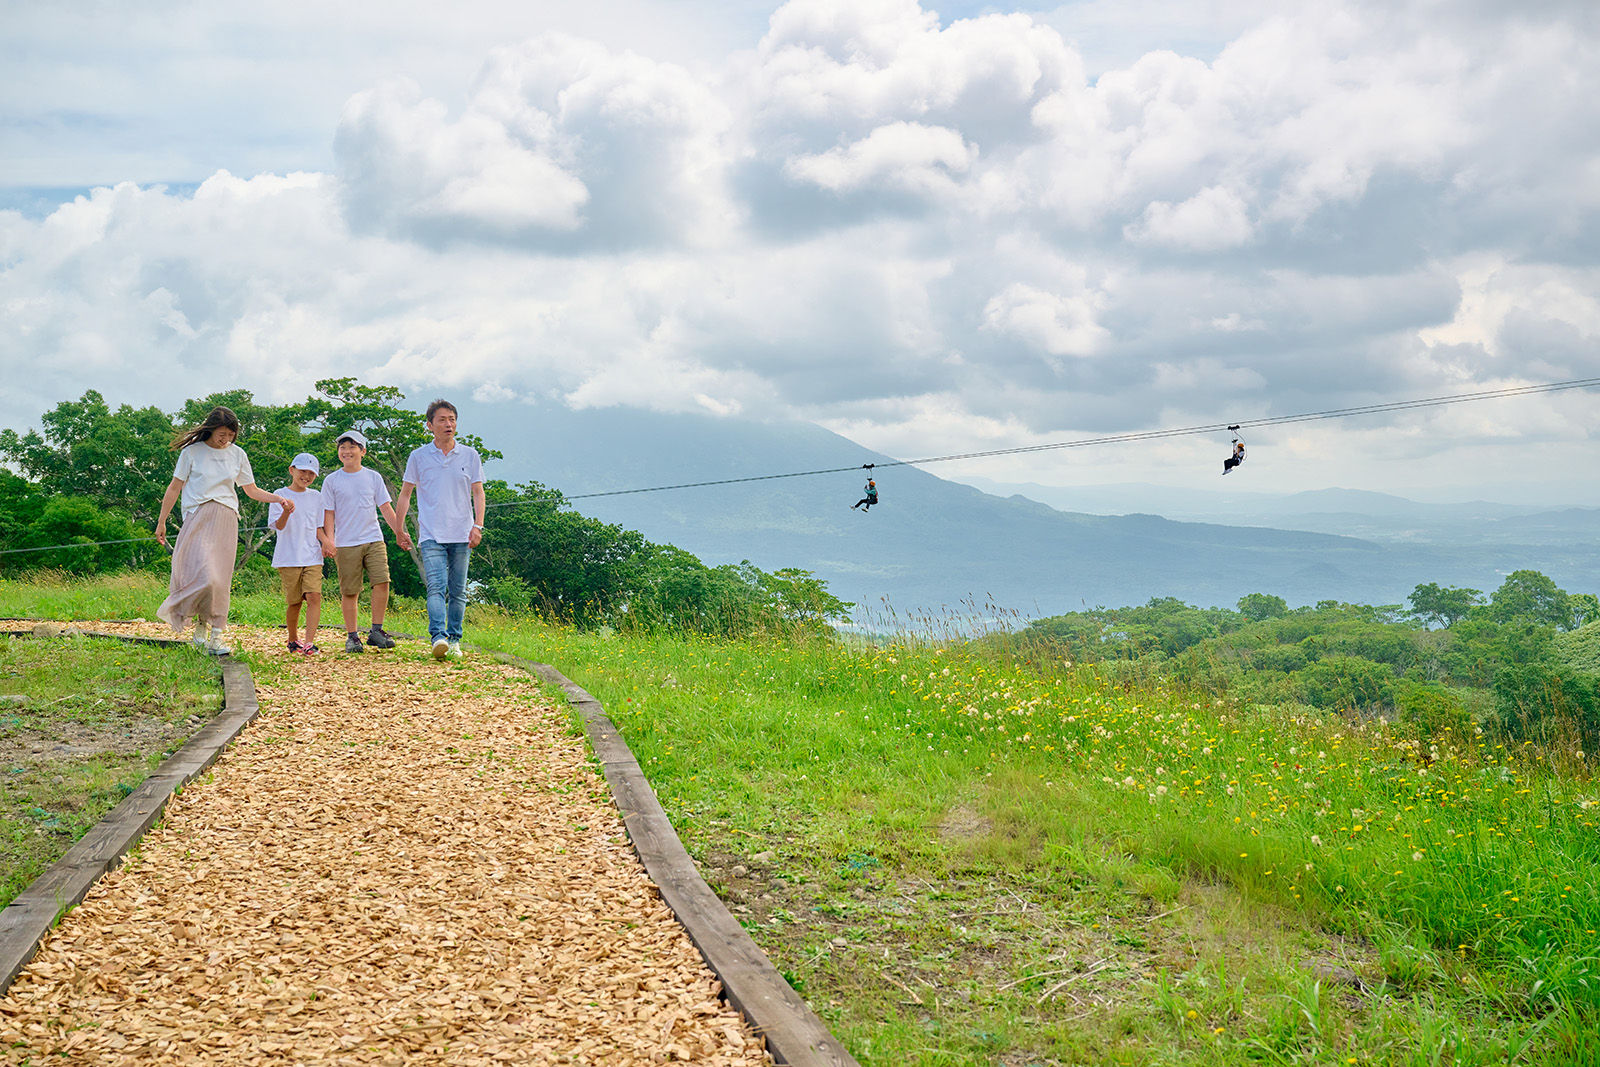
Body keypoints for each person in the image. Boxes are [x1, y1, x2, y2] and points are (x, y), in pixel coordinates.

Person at [155, 406, 295, 655]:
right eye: (222, 434)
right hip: (197, 517)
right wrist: (162, 520)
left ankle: (215, 636)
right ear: (210, 429)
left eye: (231, 434)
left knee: (220, 579)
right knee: (202, 575)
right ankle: (198, 624)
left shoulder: (237, 455)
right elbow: (174, 488)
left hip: (226, 518)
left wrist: (278, 498)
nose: (226, 439)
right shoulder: (192, 453)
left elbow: (251, 490)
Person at [396, 400, 485, 661]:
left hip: (462, 532)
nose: (448, 424)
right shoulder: (419, 456)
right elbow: (405, 494)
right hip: (432, 533)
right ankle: (438, 637)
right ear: (430, 425)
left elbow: (478, 492)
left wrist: (478, 525)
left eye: (452, 419)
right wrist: (399, 529)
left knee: (458, 590)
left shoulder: (470, 455)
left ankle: (455, 639)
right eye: (443, 420)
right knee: (436, 586)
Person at [321, 429, 412, 653]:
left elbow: (385, 508)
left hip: (373, 538)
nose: (347, 451)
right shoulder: (331, 480)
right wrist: (329, 541)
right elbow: (328, 514)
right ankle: (352, 636)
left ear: (363, 451)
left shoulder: (373, 477)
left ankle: (376, 631)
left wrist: (399, 532)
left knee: (382, 582)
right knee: (350, 591)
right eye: (343, 447)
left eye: (352, 447)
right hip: (346, 542)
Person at [269, 452, 333, 655]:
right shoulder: (279, 494)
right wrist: (286, 511)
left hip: (312, 556)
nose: (306, 476)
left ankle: (309, 642)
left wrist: (327, 543)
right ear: (292, 470)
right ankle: (292, 638)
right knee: (295, 602)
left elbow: (317, 527)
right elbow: (278, 526)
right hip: (288, 557)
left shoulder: (316, 497)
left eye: (311, 473)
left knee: (314, 596)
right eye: (302, 471)